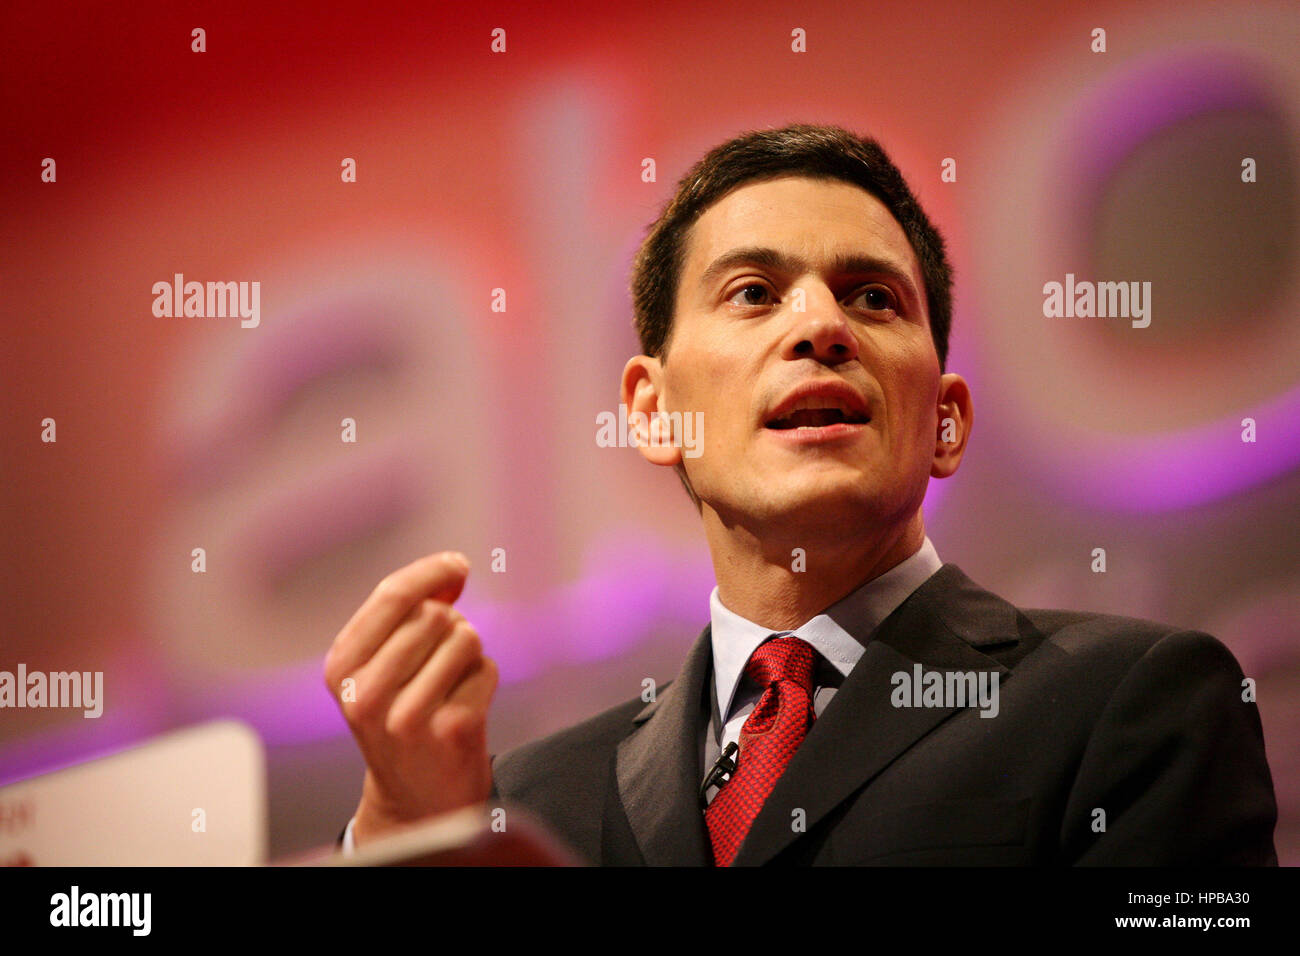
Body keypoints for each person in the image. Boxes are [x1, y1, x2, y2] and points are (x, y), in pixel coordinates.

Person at [323, 123, 1278, 865]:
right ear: (652, 413)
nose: (821, 325)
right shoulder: (525, 806)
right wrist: (406, 834)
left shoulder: (1132, 701)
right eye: (752, 293)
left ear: (946, 422)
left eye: (873, 298)